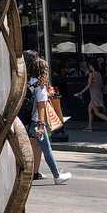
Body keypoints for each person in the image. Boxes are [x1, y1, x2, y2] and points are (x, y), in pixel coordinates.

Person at [27, 51, 71, 185]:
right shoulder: (40, 86)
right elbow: (41, 106)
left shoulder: (29, 82)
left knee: (34, 149)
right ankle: (57, 176)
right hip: (36, 122)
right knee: (47, 149)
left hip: (28, 121)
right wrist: (41, 125)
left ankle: (31, 173)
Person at [75, 62, 107, 131]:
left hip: (93, 94)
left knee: (96, 112)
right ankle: (90, 126)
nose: (89, 67)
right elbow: (101, 85)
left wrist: (80, 93)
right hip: (98, 93)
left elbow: (88, 85)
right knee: (90, 110)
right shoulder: (99, 74)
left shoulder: (91, 74)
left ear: (91, 66)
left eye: (89, 66)